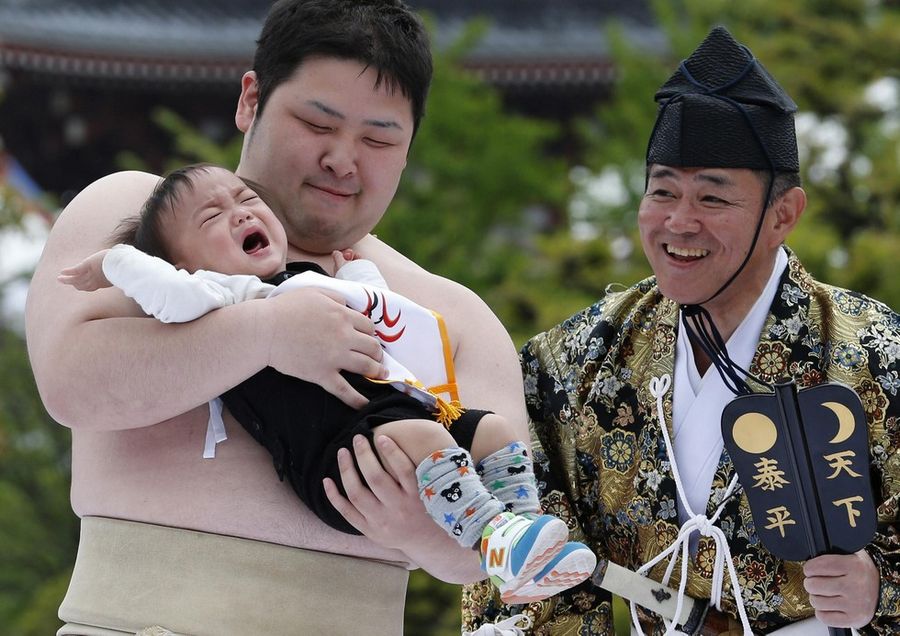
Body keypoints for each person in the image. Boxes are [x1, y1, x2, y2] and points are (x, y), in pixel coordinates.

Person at [25, 1, 542, 634]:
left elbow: (499, 522)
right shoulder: (140, 223)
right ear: (251, 100)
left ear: (409, 148)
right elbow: (69, 380)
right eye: (317, 123)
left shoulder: (455, 314)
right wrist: (265, 332)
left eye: (378, 139)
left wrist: (428, 538)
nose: (343, 161)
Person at [462, 26, 900, 635]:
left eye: (713, 199)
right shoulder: (581, 358)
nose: (678, 222)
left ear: (783, 214)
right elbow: (518, 524)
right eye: (662, 191)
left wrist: (882, 588)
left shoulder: (877, 355)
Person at [58, 163, 597, 605]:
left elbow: (374, 308)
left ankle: (521, 533)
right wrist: (118, 261)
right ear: (183, 262)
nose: (241, 211)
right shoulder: (218, 295)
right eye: (213, 216)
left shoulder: (306, 280)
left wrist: (356, 274)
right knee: (430, 440)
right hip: (336, 453)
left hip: (398, 413)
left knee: (495, 430)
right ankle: (495, 538)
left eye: (245, 198)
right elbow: (166, 295)